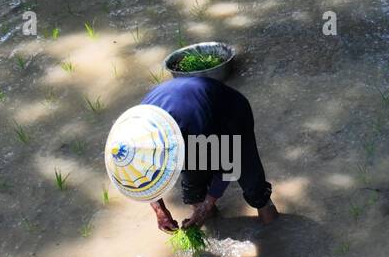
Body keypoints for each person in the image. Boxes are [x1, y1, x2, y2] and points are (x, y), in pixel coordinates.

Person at [104, 76, 277, 232]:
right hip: (183, 115)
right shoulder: (134, 136)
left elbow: (229, 164)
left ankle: (276, 234)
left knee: (254, 187)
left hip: (230, 113)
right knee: (194, 192)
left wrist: (209, 203)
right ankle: (211, 223)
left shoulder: (197, 130)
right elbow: (142, 180)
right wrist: (159, 210)